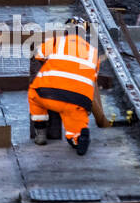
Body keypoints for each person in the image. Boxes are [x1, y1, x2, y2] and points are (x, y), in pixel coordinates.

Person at [28, 16, 101, 156]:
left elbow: (38, 54)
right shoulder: (93, 53)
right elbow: (93, 77)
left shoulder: (57, 42)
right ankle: (77, 138)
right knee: (75, 120)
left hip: (49, 94)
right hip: (79, 101)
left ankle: (41, 132)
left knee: (33, 96)